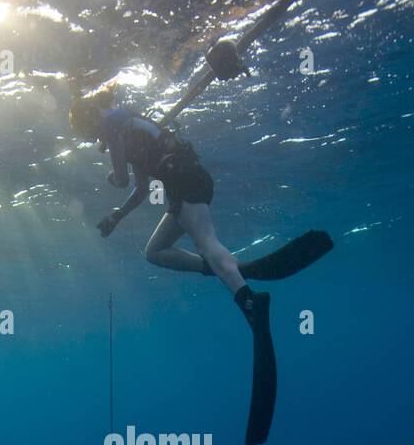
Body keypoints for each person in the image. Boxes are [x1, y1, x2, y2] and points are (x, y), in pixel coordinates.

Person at [68, 86, 271, 338]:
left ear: (88, 119)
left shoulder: (112, 124)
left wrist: (112, 177)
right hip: (185, 182)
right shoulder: (124, 122)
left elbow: (121, 180)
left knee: (206, 243)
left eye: (85, 133)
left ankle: (248, 299)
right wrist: (117, 216)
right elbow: (142, 189)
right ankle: (224, 268)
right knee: (154, 252)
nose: (91, 138)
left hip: (185, 181)